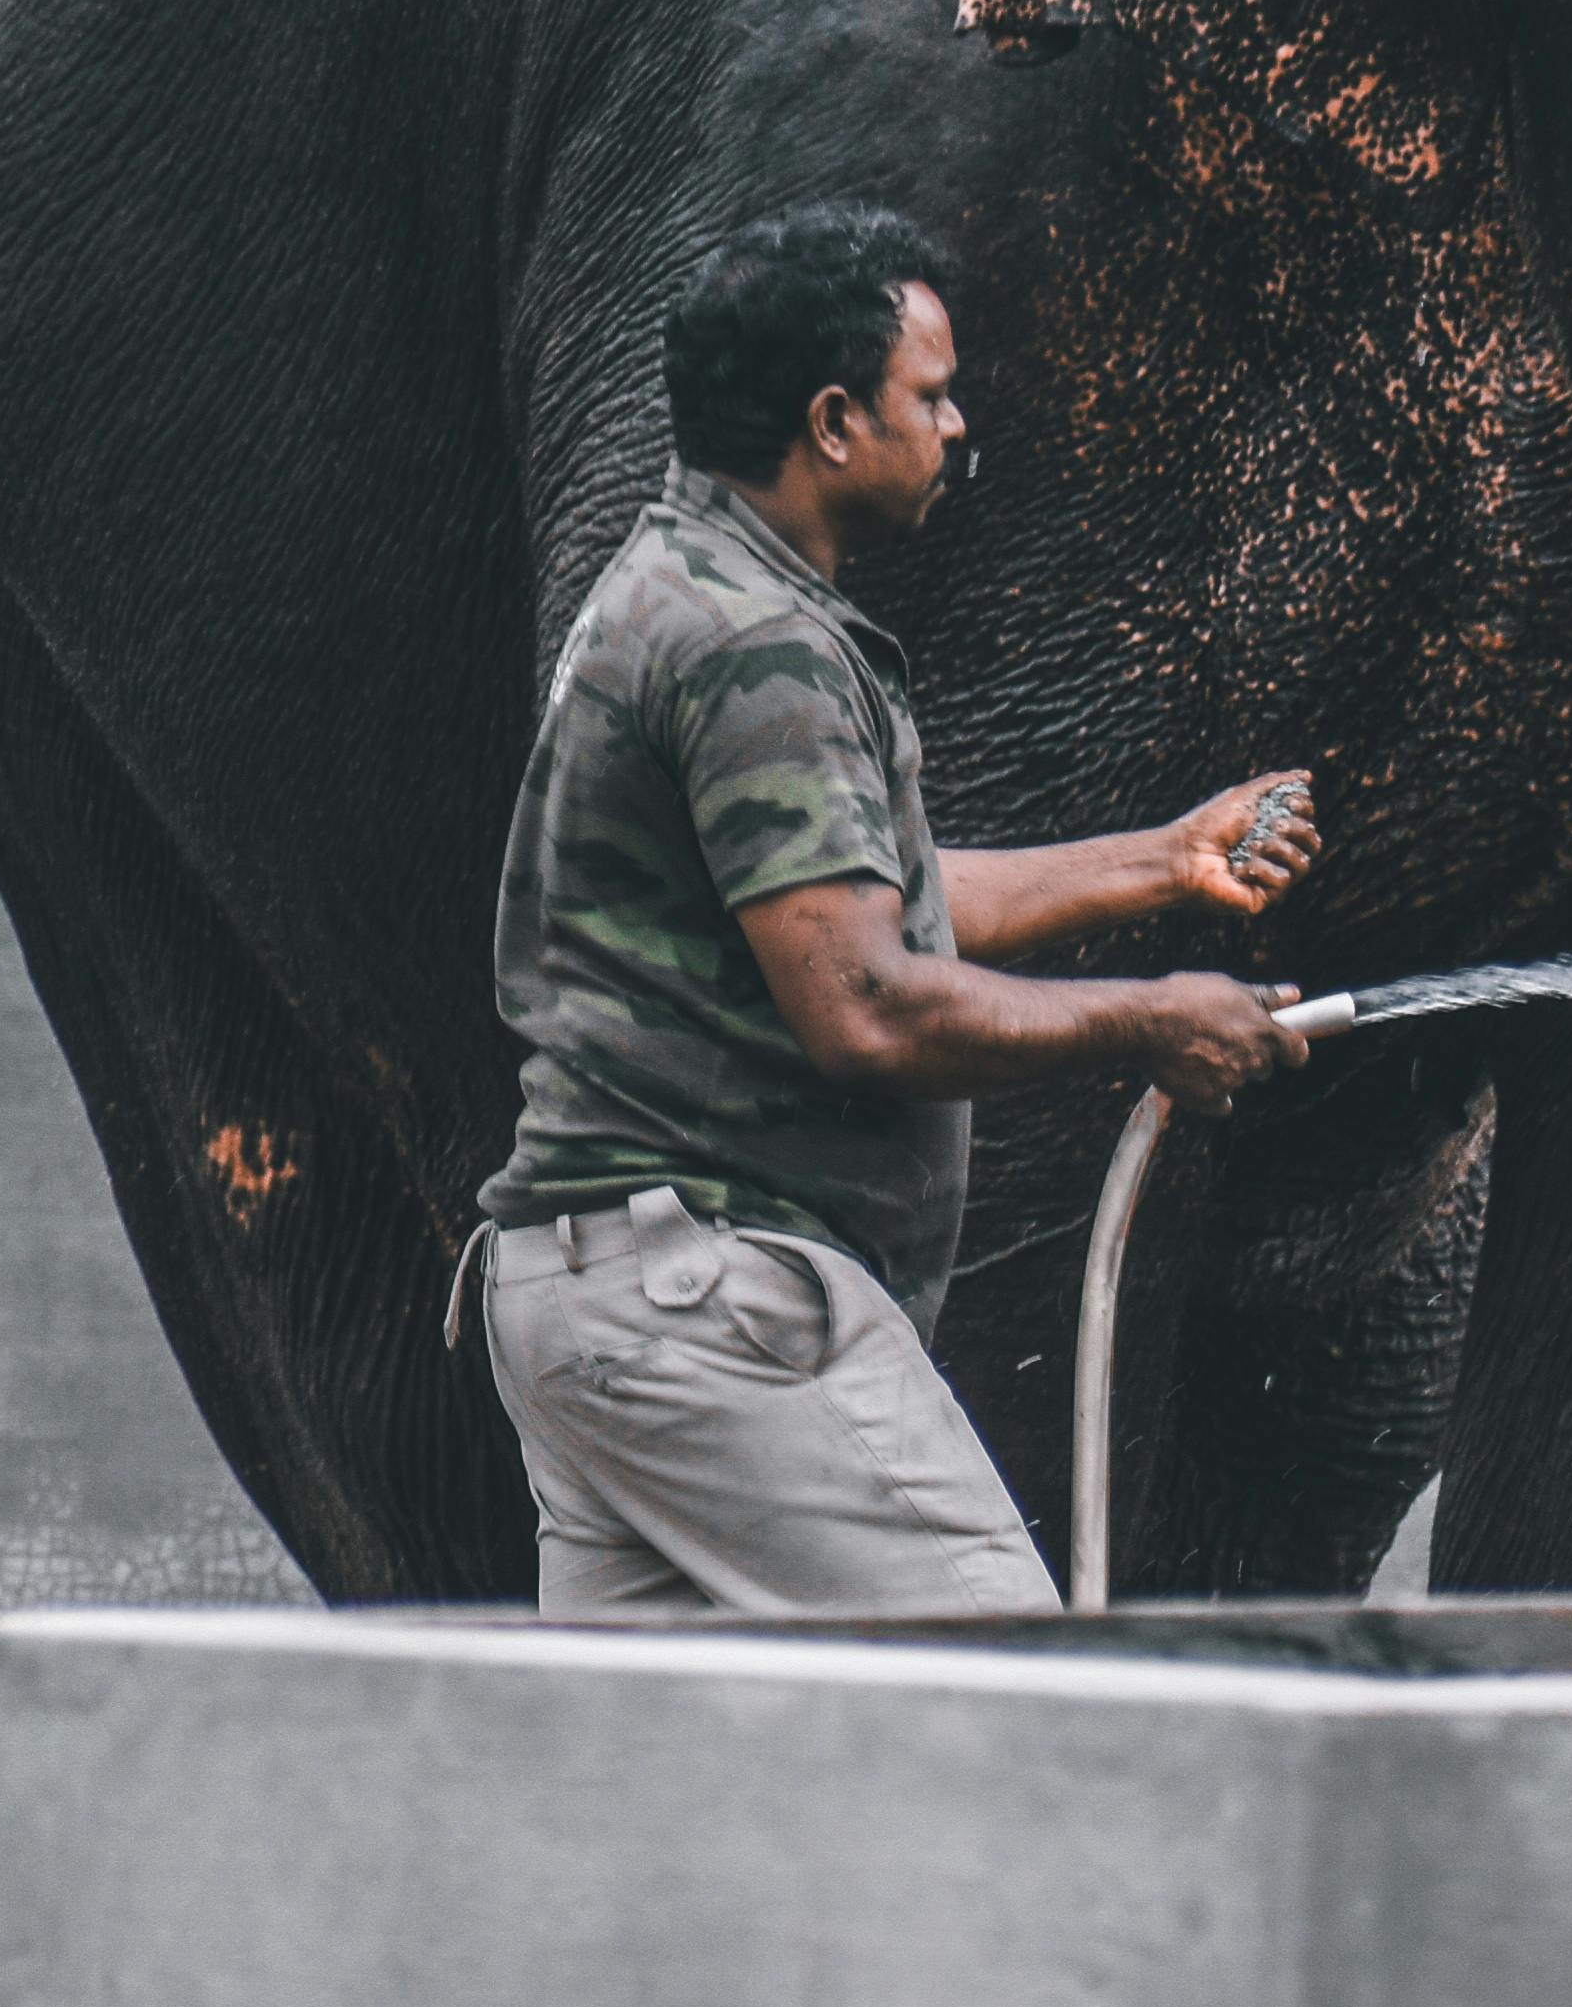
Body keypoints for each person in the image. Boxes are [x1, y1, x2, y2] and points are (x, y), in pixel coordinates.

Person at [462, 198, 1314, 1614]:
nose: (959, 424)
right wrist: (1151, 1023)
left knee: (671, 1815)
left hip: (591, 1300)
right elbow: (862, 1002)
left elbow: (851, 910)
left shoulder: (677, 590)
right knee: (1005, 1706)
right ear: (836, 421)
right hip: (711, 1314)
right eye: (932, 394)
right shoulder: (758, 649)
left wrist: (1161, 862)